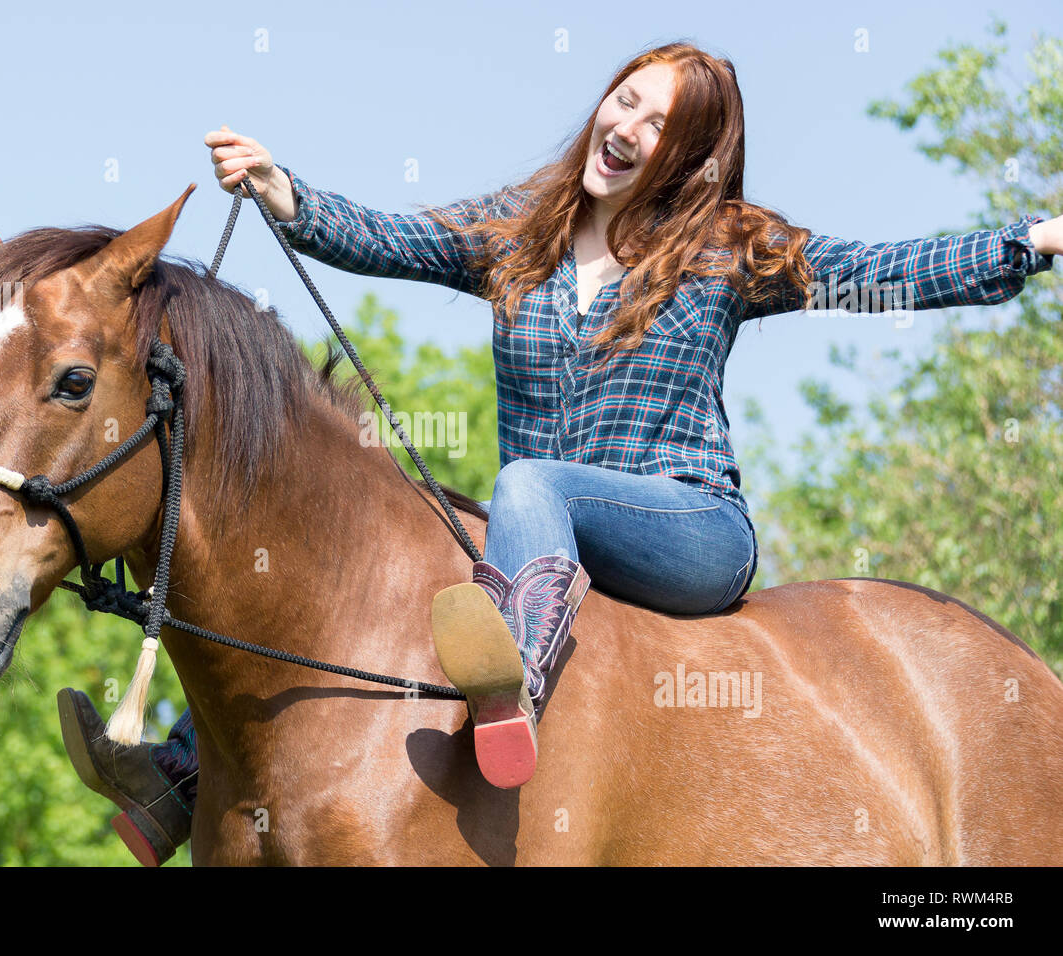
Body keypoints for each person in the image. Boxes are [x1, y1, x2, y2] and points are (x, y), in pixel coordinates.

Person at [60, 41, 1059, 864]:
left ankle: (508, 688)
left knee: (520, 485)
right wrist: (286, 193)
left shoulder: (727, 246)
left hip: (683, 529)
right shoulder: (519, 234)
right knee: (404, 551)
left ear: (689, 158)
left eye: (653, 123)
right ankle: (185, 771)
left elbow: (879, 272)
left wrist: (1027, 244)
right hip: (534, 541)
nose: (622, 128)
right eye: (621, 102)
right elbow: (389, 238)